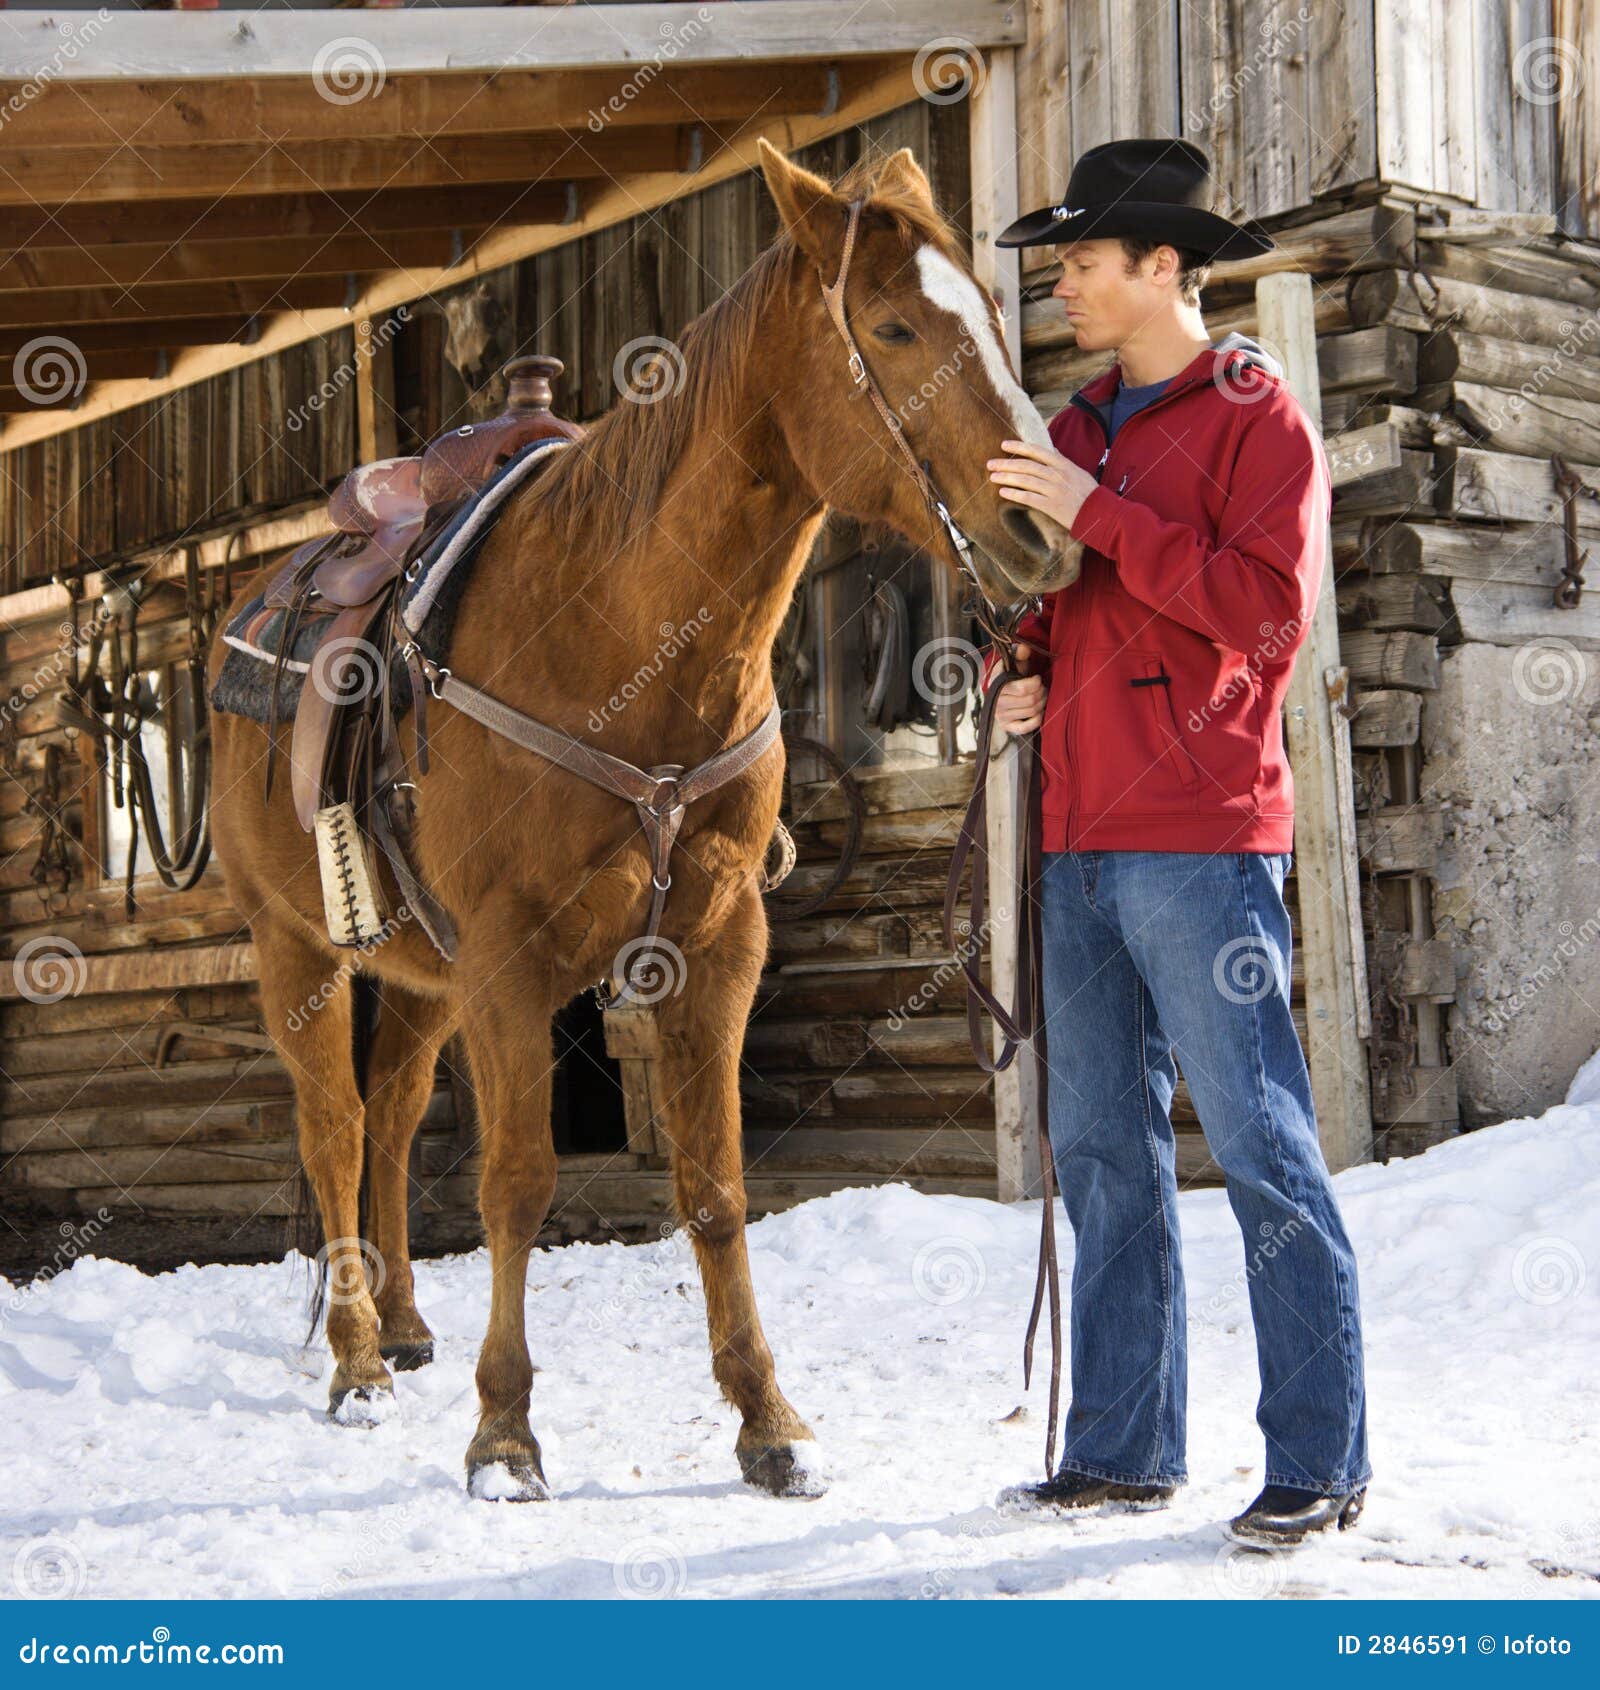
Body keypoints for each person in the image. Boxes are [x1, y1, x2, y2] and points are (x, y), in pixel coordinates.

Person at [982, 139, 1370, 1549]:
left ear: (1161, 268)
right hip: (1075, 841)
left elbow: (1268, 615)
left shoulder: (1259, 418)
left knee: (1263, 1144)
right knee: (1100, 1151)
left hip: (1202, 841)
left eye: (1081, 263)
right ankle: (1124, 1448)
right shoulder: (1074, 424)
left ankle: (1320, 1460)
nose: (1063, 287)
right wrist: (1006, 674)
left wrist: (1101, 518)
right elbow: (1032, 604)